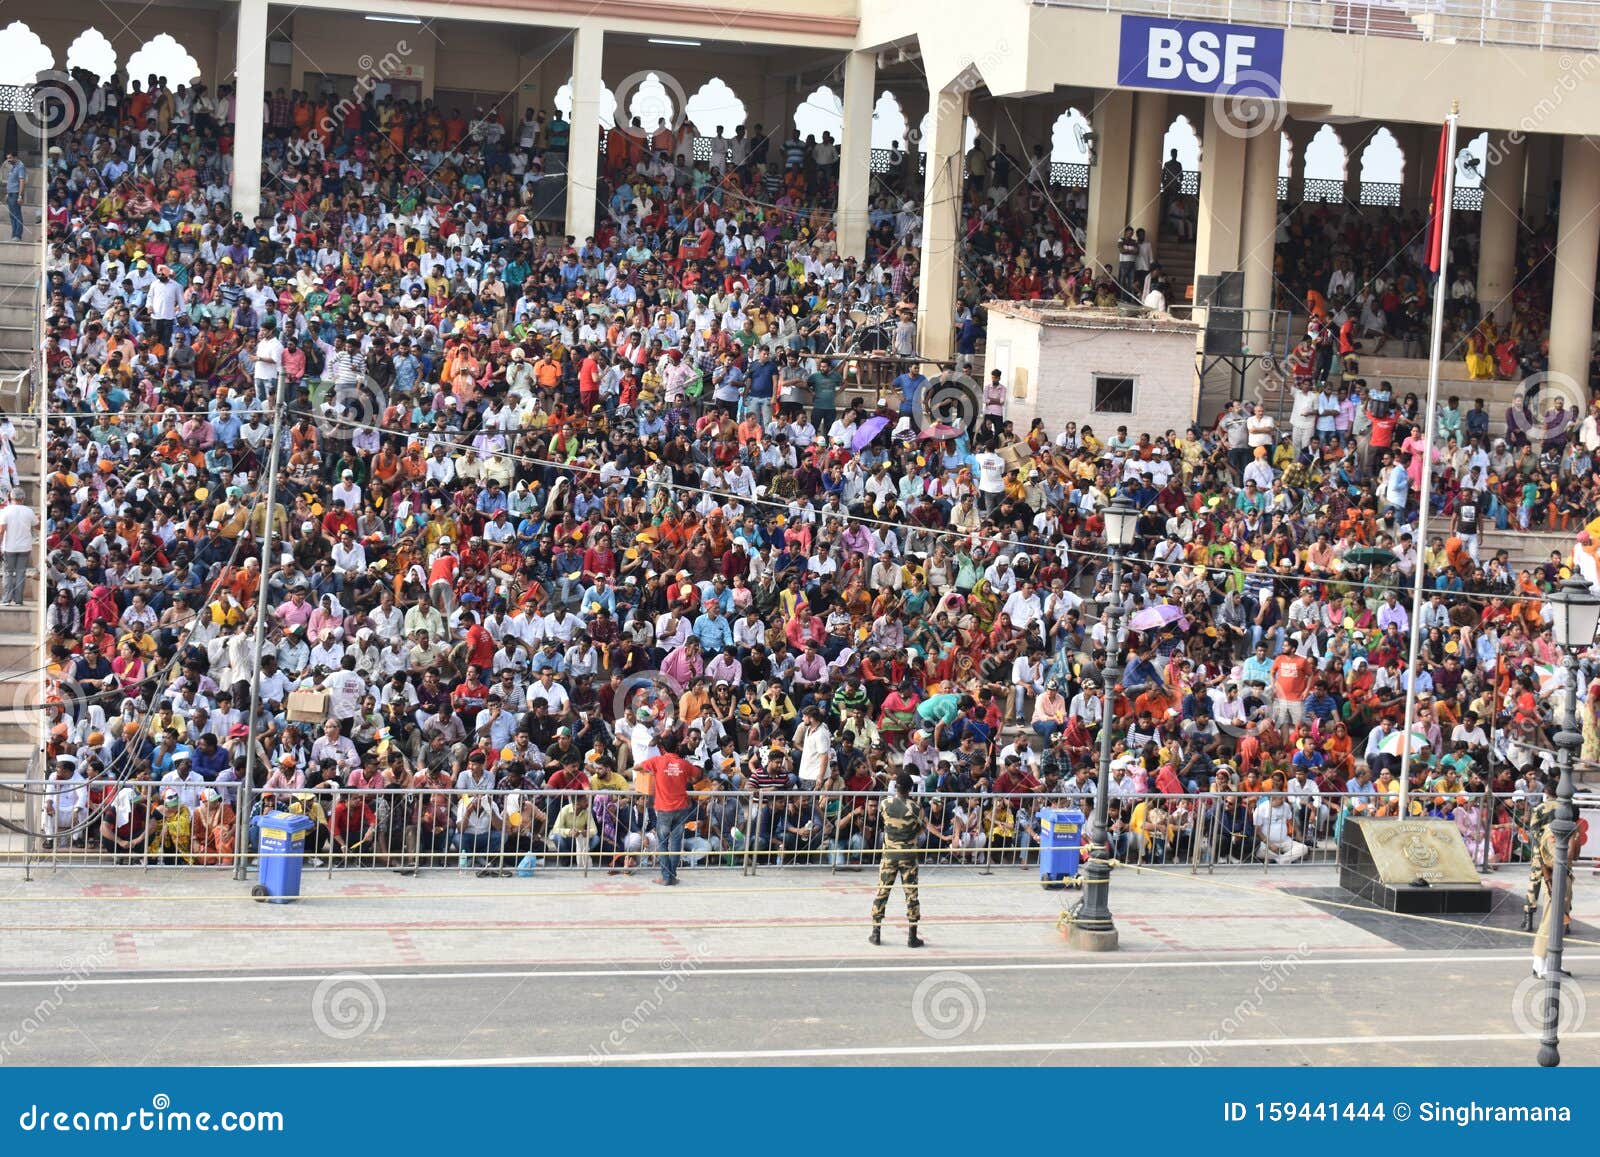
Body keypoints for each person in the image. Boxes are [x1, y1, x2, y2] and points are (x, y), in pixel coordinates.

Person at [869, 772, 927, 947]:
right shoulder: (916, 808)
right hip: (908, 855)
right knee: (911, 894)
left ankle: (876, 933)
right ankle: (912, 936)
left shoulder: (885, 804)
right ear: (910, 789)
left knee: (882, 891)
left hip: (889, 855)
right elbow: (920, 828)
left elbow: (883, 823)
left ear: (896, 787)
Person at [637, 743, 695, 886]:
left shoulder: (657, 761)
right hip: (681, 809)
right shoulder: (684, 763)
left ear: (663, 748)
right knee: (675, 843)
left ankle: (666, 877)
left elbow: (636, 767)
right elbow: (697, 775)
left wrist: (651, 773)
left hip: (664, 809)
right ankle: (672, 876)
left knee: (662, 843)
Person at [0, 491, 35, 605]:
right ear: (23, 498)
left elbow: (1, 531)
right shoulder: (29, 511)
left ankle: (6, 599)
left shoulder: (5, 511)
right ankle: (18, 600)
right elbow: (36, 524)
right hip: (24, 547)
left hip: (9, 547)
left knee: (8, 573)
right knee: (21, 572)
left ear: (10, 497)